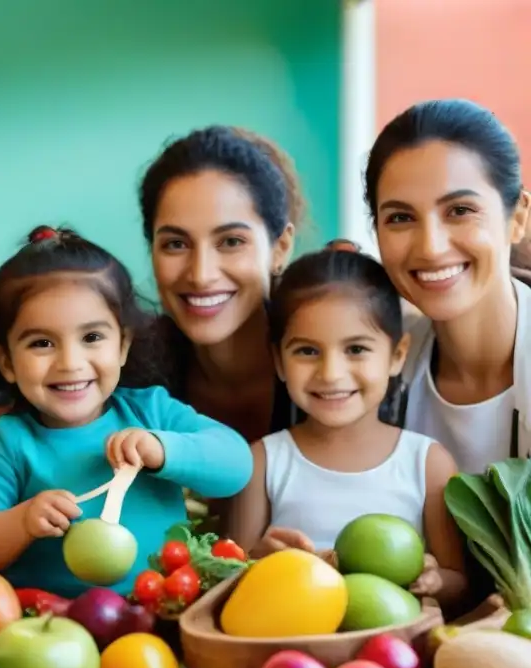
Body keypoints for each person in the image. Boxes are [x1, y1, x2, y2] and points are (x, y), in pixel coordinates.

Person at [0, 226, 253, 599]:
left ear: (122, 345)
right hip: (51, 625)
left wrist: (163, 449)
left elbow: (236, 465)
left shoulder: (151, 412)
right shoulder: (8, 442)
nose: (71, 363)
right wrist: (21, 522)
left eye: (92, 338)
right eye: (42, 343)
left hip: (163, 605)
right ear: (6, 361)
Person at [224, 243, 468, 610]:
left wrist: (434, 580)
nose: (331, 374)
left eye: (356, 349)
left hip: (394, 654)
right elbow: (226, 574)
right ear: (278, 360)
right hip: (290, 649)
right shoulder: (262, 461)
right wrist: (257, 560)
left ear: (397, 355)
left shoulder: (428, 463)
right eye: (307, 351)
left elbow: (459, 581)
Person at [365, 98, 531, 474]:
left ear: (518, 218)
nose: (431, 247)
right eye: (401, 217)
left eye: (459, 211)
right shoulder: (370, 367)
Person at [138, 125, 306, 444]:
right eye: (176, 244)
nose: (201, 275)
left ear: (280, 247)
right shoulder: (124, 378)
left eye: (231, 241)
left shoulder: (335, 363)